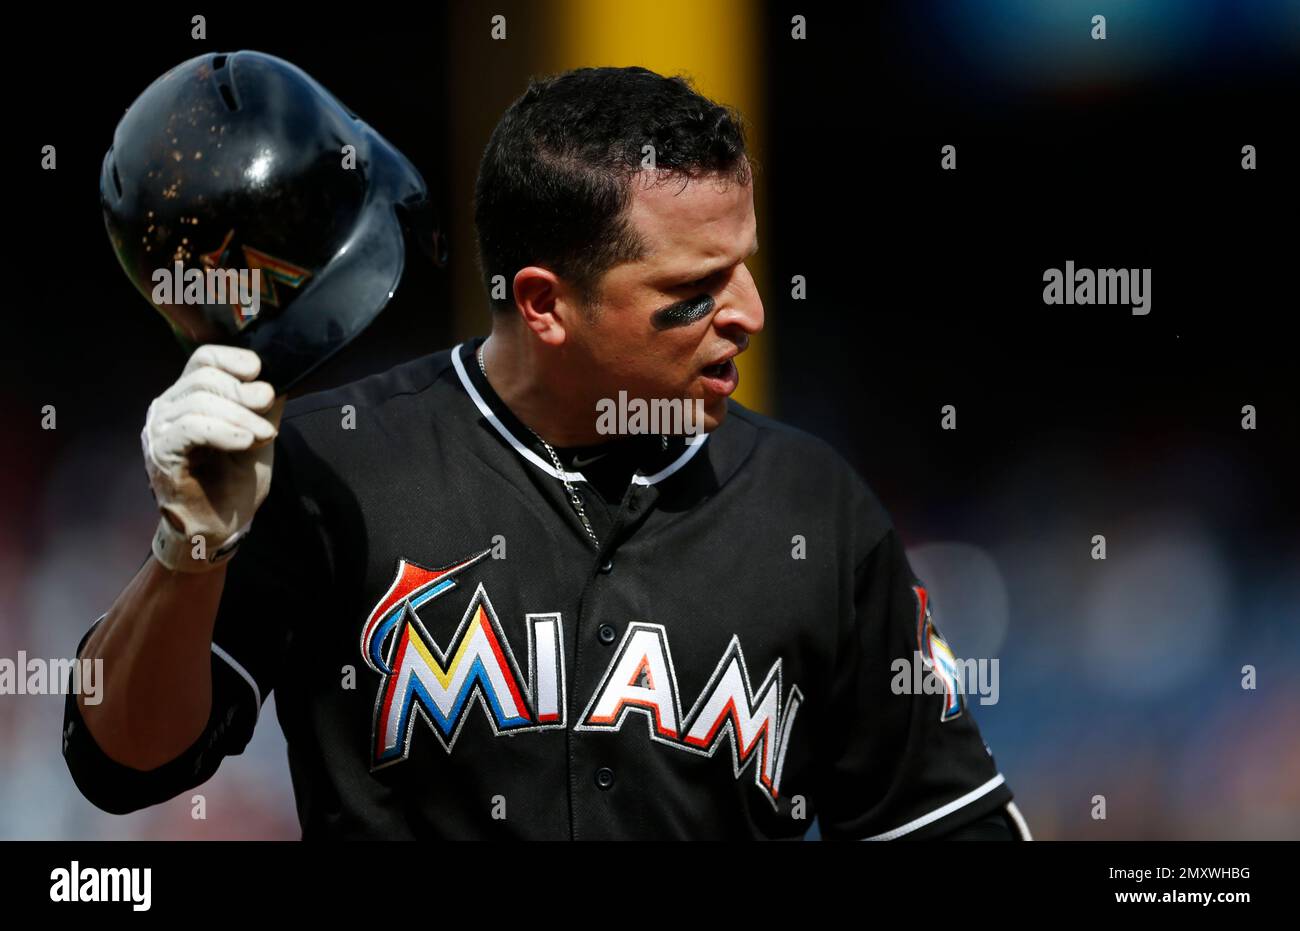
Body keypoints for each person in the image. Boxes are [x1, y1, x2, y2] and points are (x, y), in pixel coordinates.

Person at [64, 66, 1028, 840]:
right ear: (543, 303)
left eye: (745, 264)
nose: (749, 314)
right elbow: (124, 762)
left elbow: (947, 824)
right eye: (693, 288)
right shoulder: (328, 467)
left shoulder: (814, 508)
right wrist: (188, 552)